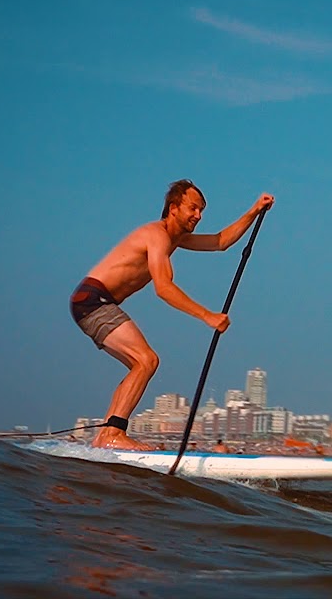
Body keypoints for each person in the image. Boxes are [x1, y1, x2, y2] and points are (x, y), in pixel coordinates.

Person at [70, 179, 274, 450]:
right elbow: (163, 288)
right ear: (174, 207)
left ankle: (106, 436)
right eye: (193, 208)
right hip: (93, 300)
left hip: (95, 302)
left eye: (201, 211)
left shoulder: (176, 239)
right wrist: (207, 316)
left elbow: (220, 241)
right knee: (146, 360)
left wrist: (254, 211)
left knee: (140, 363)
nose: (198, 216)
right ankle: (112, 434)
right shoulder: (157, 235)